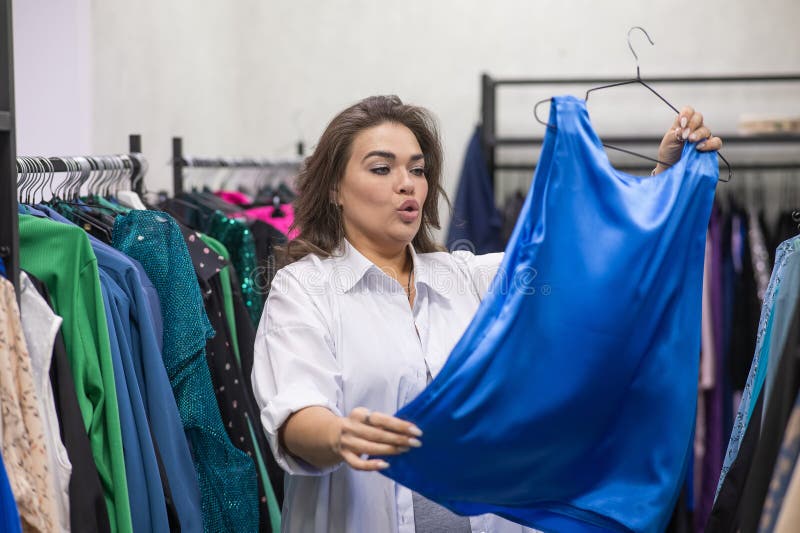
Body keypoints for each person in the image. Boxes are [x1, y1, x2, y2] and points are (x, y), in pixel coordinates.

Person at [251, 95, 723, 533]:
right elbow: (293, 414)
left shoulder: (469, 278)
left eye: (418, 170)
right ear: (334, 189)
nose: (406, 184)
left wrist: (664, 179)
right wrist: (339, 434)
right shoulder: (305, 288)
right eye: (382, 169)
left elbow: (596, 276)